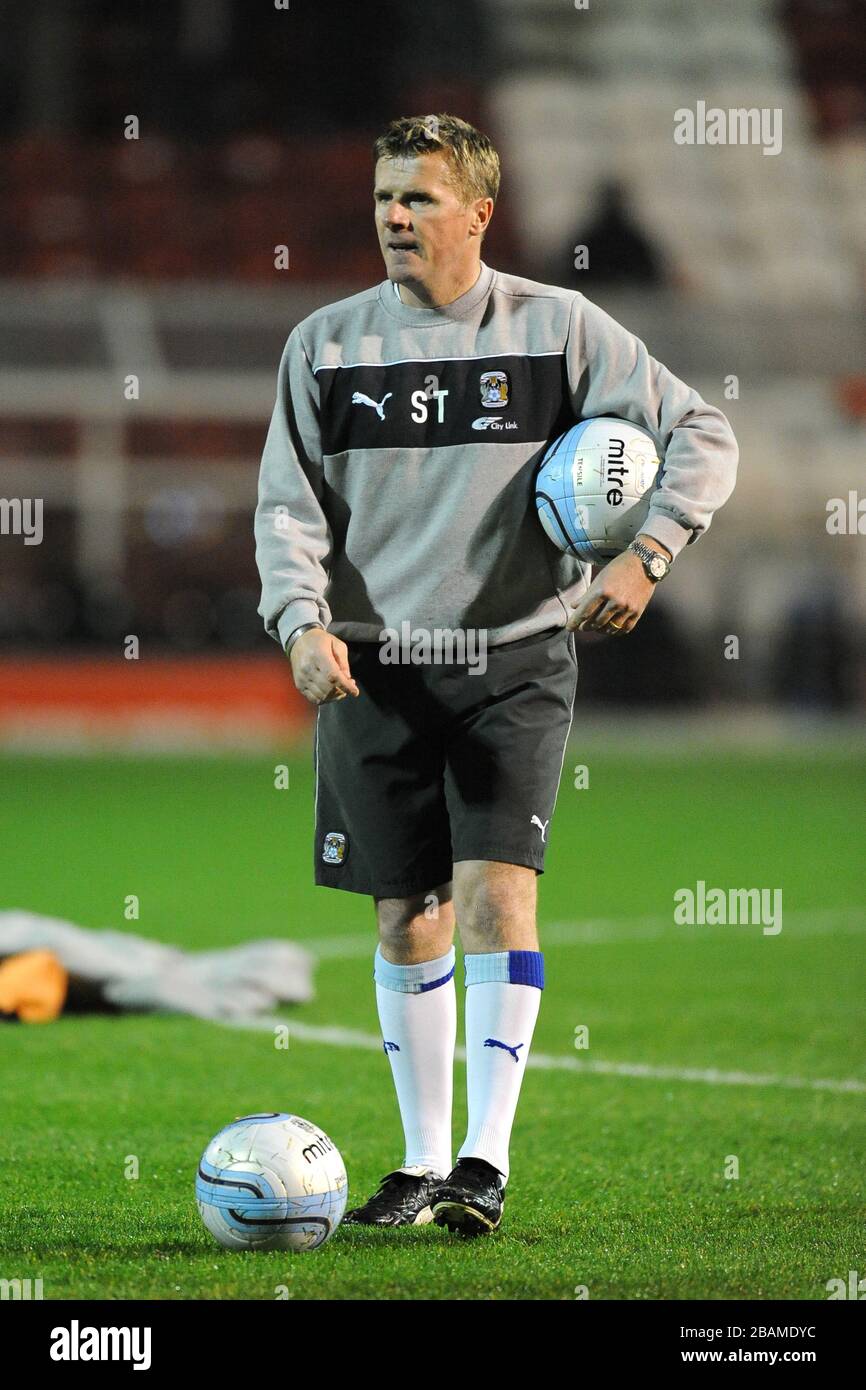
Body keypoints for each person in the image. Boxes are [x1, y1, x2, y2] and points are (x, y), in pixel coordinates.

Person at [254, 113, 738, 1236]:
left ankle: (482, 1162)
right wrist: (298, 623)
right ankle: (418, 1164)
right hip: (372, 665)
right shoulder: (324, 345)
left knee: (493, 894)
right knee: (401, 917)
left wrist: (649, 548)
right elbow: (287, 506)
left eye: (417, 198)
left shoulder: (558, 327)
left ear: (479, 211)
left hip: (513, 653)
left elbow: (700, 431)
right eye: (382, 196)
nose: (391, 215)